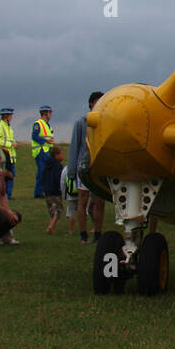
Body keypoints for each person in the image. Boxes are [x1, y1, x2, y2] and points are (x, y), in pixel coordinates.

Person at [67, 93, 105, 244]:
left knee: (99, 201)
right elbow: (74, 147)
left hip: (99, 167)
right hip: (84, 168)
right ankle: (83, 234)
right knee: (82, 201)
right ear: (90, 104)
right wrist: (71, 171)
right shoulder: (81, 122)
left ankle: (98, 233)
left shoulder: (105, 121)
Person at [0, 107, 17, 199]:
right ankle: (4, 195)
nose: (12, 117)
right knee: (3, 176)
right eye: (11, 115)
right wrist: (11, 144)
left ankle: (8, 195)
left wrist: (14, 144)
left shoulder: (9, 127)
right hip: (4, 155)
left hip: (11, 156)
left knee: (11, 176)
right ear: (6, 116)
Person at [41, 145, 64, 235]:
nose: (63, 156)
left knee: (52, 210)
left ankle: (51, 227)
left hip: (47, 191)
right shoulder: (58, 166)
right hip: (55, 191)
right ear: (56, 155)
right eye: (62, 154)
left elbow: (43, 176)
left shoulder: (47, 165)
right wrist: (60, 188)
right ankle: (50, 227)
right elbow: (58, 178)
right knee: (58, 210)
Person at [31, 106, 54, 198]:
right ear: (45, 113)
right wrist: (46, 140)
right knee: (42, 171)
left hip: (47, 150)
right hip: (40, 150)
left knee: (46, 172)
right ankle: (38, 193)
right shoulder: (38, 124)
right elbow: (34, 136)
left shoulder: (48, 125)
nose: (51, 114)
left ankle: (44, 191)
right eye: (50, 112)